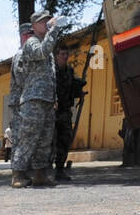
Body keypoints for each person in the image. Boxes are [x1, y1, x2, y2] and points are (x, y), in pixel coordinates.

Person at [10, 11, 64, 189]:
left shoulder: (47, 47)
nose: (47, 24)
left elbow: (51, 75)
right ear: (34, 26)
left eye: (48, 21)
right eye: (43, 22)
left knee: (45, 139)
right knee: (28, 137)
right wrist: (54, 30)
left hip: (46, 99)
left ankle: (40, 174)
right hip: (33, 98)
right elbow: (42, 52)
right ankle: (18, 174)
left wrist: (54, 97)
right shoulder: (32, 44)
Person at [53, 44, 86, 182]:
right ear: (56, 56)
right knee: (48, 142)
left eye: (67, 54)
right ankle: (41, 171)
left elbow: (72, 86)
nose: (65, 57)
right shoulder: (50, 71)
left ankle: (59, 170)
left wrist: (79, 91)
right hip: (51, 112)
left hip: (65, 112)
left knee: (65, 139)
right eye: (62, 54)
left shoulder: (69, 71)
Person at [7, 21, 32, 183]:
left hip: (24, 103)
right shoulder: (21, 55)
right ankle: (17, 175)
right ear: (24, 36)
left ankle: (22, 173)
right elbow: (22, 78)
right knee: (19, 138)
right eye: (31, 35)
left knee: (25, 138)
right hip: (20, 105)